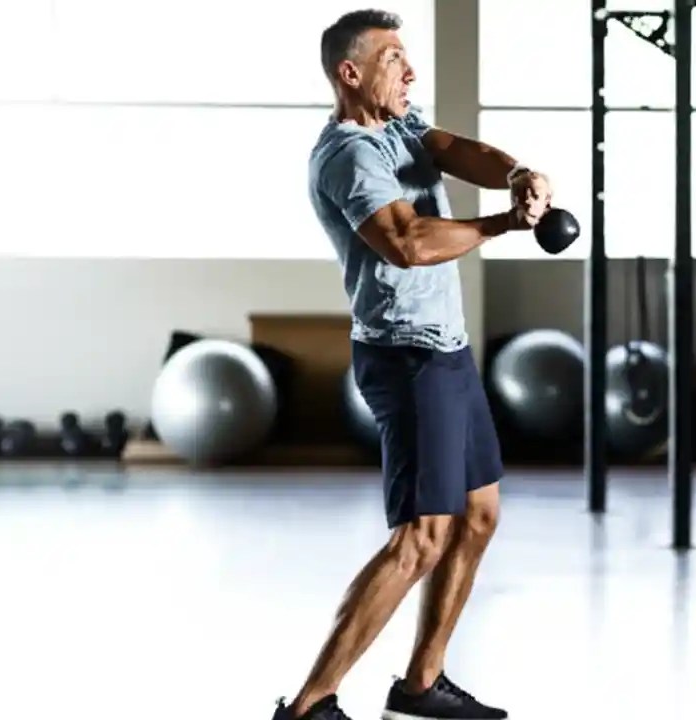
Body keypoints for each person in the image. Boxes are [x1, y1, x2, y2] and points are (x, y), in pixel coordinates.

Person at [270, 8, 552, 720]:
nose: (410, 71)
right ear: (351, 72)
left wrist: (516, 173)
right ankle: (309, 704)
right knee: (421, 537)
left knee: (479, 513)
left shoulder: (395, 125)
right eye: (395, 58)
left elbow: (454, 147)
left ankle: (422, 684)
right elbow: (408, 242)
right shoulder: (347, 157)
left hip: (447, 347)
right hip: (406, 356)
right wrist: (501, 224)